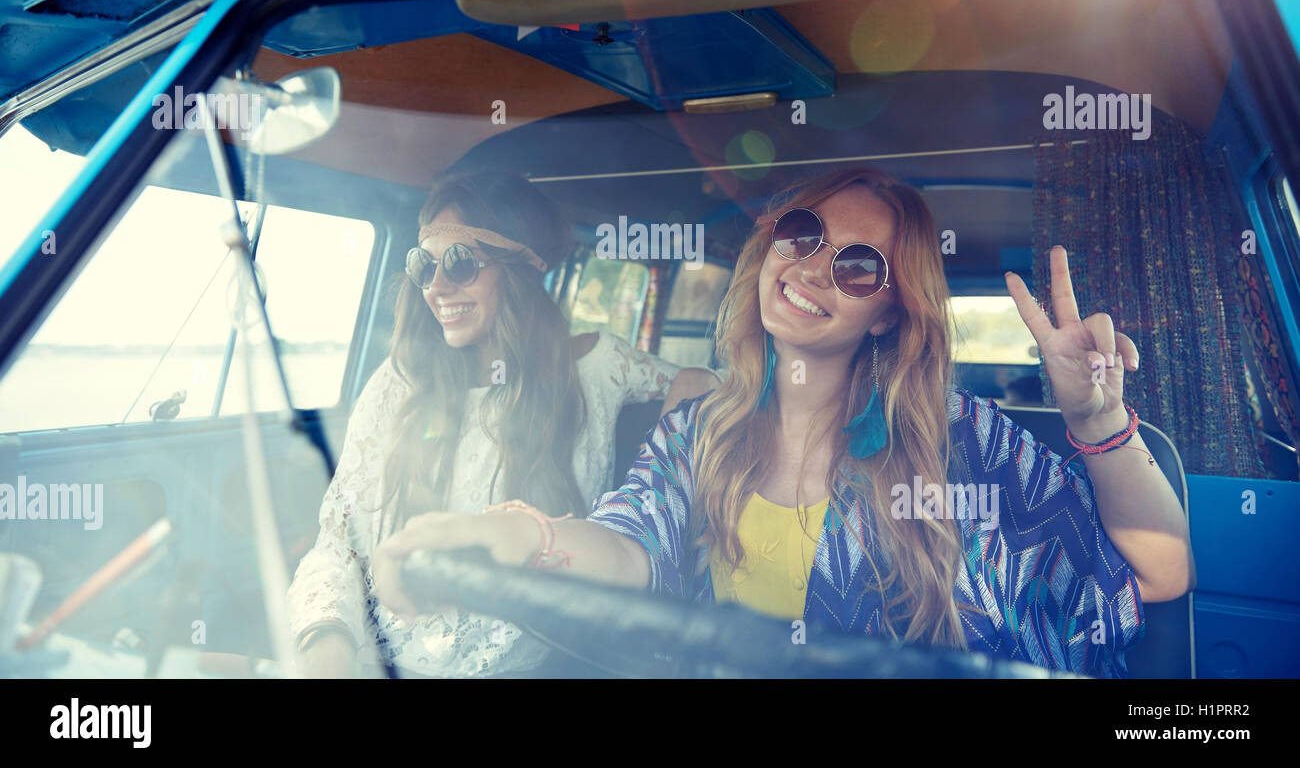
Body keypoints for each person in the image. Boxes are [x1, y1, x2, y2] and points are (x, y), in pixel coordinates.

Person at [372, 166, 1194, 677]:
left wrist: (1099, 415)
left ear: (885, 314)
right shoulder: (698, 433)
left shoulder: (956, 442)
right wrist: (521, 536)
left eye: (858, 263)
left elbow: (1158, 574)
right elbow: (629, 549)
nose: (811, 269)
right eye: (802, 234)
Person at [287, 170, 715, 677]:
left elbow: (723, 387)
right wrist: (326, 647)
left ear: (518, 271)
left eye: (460, 263)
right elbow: (337, 544)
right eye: (424, 266)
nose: (437, 286)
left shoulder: (599, 367)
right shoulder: (400, 382)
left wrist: (678, 479)